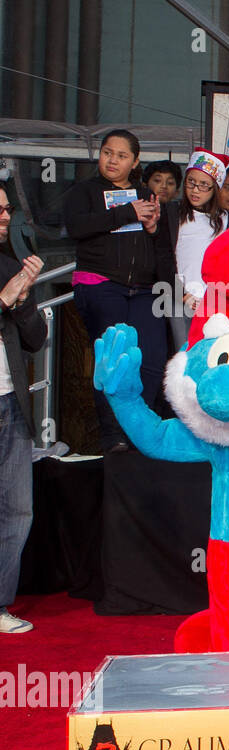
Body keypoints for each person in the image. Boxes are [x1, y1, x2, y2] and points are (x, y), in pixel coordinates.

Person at [63, 128, 171, 451]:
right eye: (107, 152)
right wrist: (128, 212)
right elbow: (77, 227)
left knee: (152, 358)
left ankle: (141, 432)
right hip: (100, 283)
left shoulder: (146, 193)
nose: (112, 160)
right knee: (114, 356)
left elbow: (163, 250)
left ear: (135, 161)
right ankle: (114, 437)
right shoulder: (84, 191)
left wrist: (152, 229)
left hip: (144, 289)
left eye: (122, 155)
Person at [0, 187, 45, 634]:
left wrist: (24, 297)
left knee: (17, 510)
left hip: (11, 402)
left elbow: (35, 341)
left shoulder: (10, 265)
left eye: (7, 208)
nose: (5, 215)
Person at [162, 150, 229, 352]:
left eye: (204, 185)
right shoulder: (172, 214)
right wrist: (183, 295)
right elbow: (165, 258)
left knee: (211, 355)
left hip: (214, 303)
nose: (195, 190)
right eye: (191, 182)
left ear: (215, 188)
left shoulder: (228, 219)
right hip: (178, 298)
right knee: (182, 354)